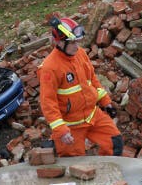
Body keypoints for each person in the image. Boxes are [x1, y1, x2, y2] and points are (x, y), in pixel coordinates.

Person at [37, 17, 123, 156]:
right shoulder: (50, 68)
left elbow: (92, 80)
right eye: (72, 43)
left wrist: (105, 101)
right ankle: (56, 144)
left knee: (114, 142)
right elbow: (48, 102)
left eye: (77, 42)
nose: (77, 46)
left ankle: (109, 176)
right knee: (72, 162)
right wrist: (61, 130)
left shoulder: (80, 54)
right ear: (59, 42)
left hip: (92, 115)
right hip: (71, 125)